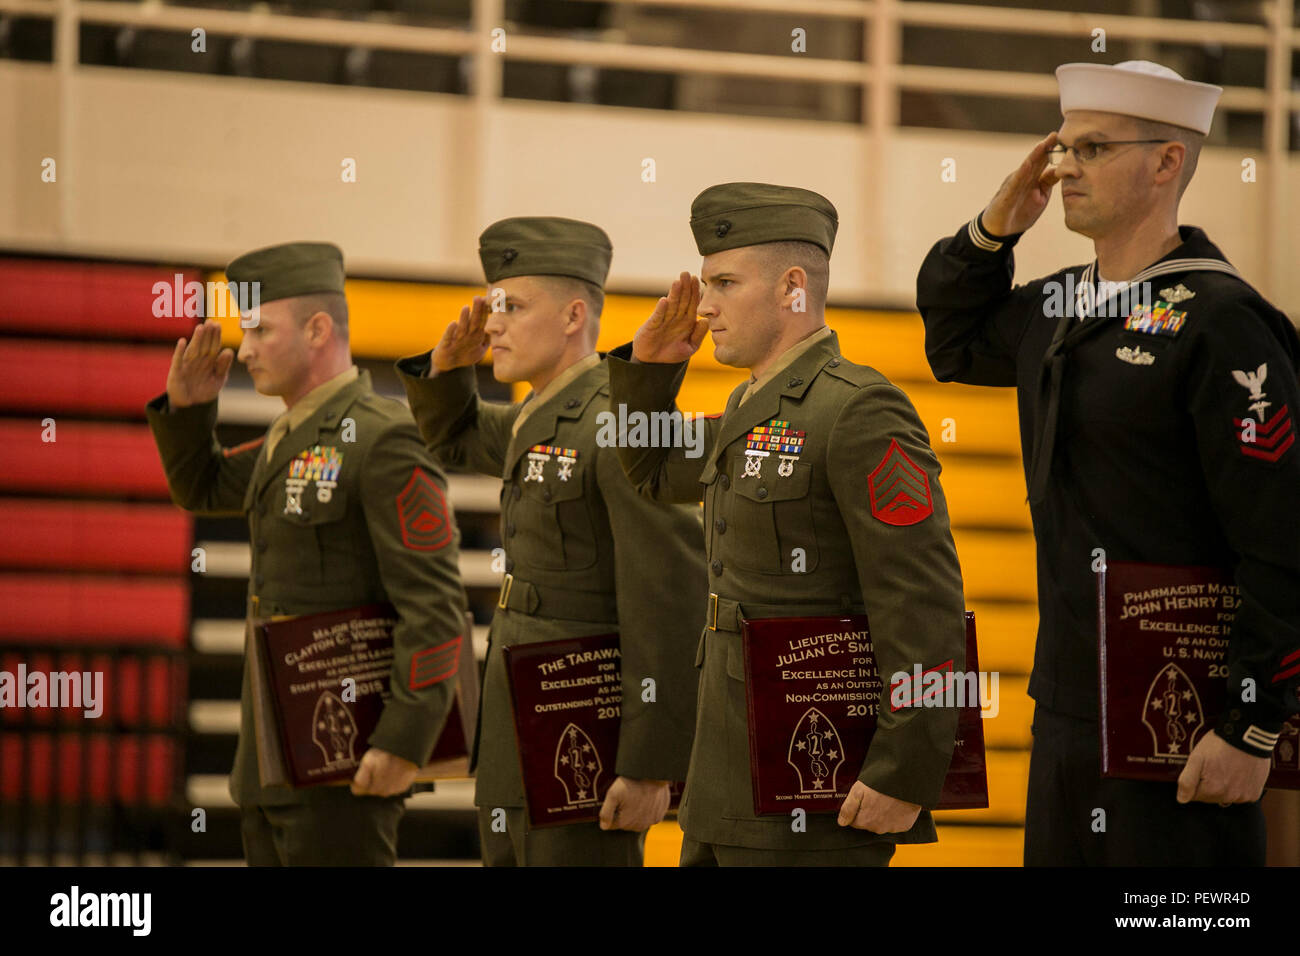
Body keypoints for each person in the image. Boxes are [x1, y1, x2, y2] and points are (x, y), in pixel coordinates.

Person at [915, 60, 1300, 865]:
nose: (1063, 169)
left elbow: (1284, 543)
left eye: (1092, 149)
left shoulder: (1223, 324)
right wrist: (994, 229)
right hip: (1068, 702)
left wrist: (1251, 723)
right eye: (1063, 148)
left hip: (1186, 712)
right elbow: (952, 340)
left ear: (1166, 163)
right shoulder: (1060, 306)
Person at [605, 183, 967, 866]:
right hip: (724, 786)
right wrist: (648, 372)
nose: (703, 304)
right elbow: (650, 468)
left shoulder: (857, 410)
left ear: (792, 287)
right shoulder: (748, 410)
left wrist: (905, 771)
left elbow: (922, 603)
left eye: (724, 282)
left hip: (816, 781)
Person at [146, 241, 469, 866]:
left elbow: (434, 605)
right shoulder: (286, 436)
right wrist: (189, 410)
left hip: (346, 755)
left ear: (318, 329)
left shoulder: (382, 435)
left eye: (262, 329)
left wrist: (404, 740)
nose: (245, 348)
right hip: (272, 761)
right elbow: (202, 485)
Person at [395, 217, 706, 866]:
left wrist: (651, 768)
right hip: (519, 727)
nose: (494, 322)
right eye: (492, 304)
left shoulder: (618, 422)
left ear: (572, 316)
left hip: (585, 732)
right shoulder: (536, 415)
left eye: (514, 305)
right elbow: (455, 436)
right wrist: (446, 373)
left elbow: (667, 599)